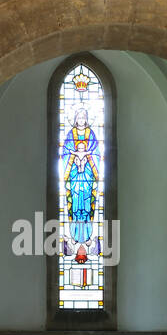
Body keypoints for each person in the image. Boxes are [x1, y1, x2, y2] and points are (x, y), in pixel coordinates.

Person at [61, 107, 100, 257]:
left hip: (88, 178)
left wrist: (87, 157)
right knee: (75, 207)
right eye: (79, 117)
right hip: (75, 178)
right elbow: (65, 154)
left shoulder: (92, 135)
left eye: (84, 117)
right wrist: (75, 158)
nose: (82, 120)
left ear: (87, 119)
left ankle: (88, 237)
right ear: (76, 119)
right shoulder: (71, 134)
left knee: (87, 207)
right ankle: (75, 237)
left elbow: (96, 153)